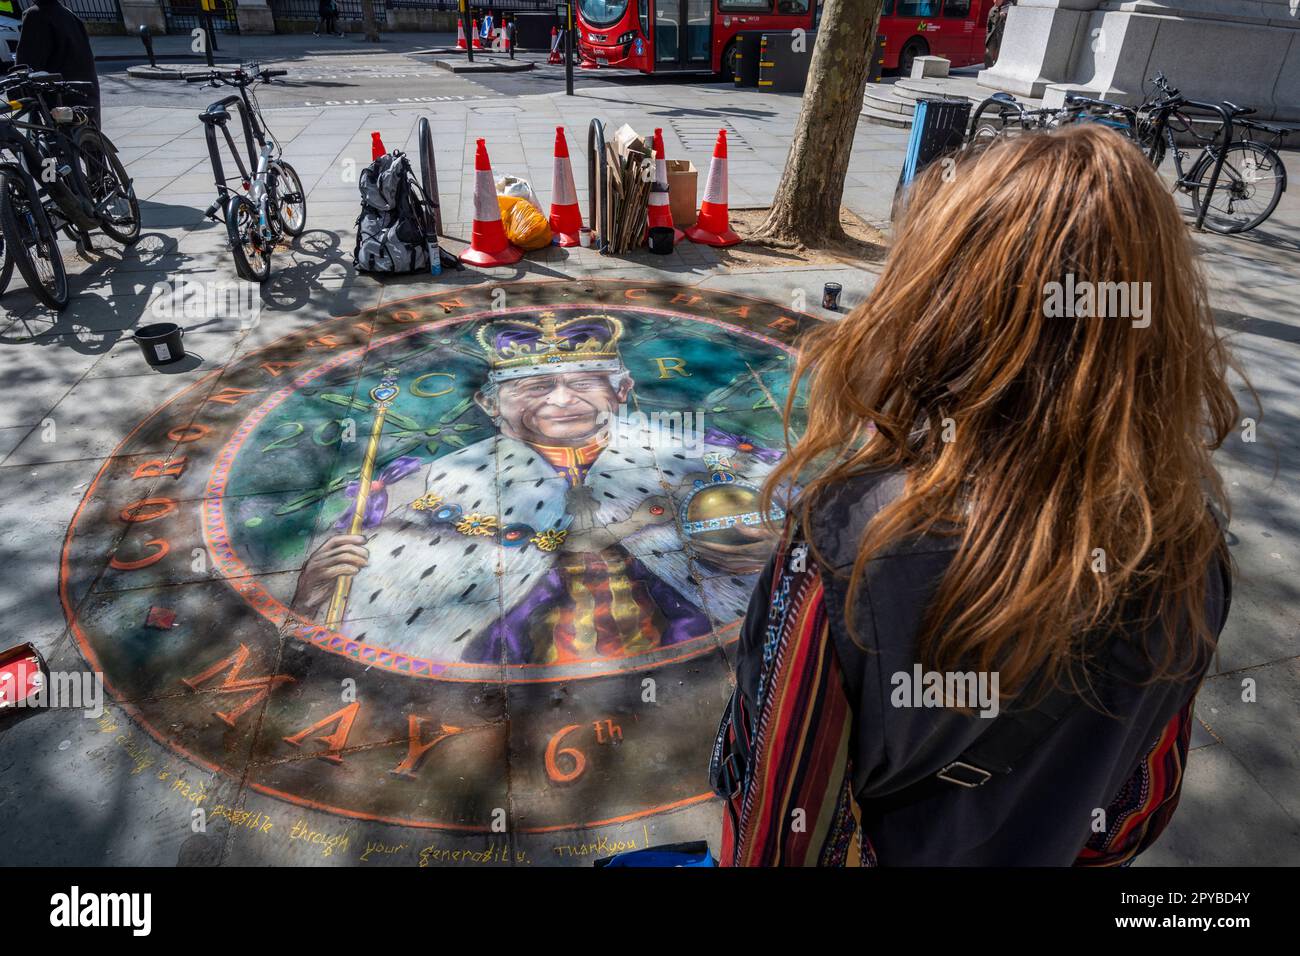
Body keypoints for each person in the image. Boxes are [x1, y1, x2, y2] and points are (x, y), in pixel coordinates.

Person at [710, 124, 1239, 867]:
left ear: (942, 305)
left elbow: (777, 828)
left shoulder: (850, 536)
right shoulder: (1190, 545)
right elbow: (1132, 814)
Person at [290, 312, 782, 664]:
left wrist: (778, 535)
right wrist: (313, 590)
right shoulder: (420, 485)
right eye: (534, 387)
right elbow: (342, 603)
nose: (563, 400)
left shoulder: (700, 452)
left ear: (622, 391)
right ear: (490, 403)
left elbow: (792, 502)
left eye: (587, 382)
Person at [14, 0, 99, 125]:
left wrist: (15, 92)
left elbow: (26, 63)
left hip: (61, 102)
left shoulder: (36, 14)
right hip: (85, 98)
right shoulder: (69, 15)